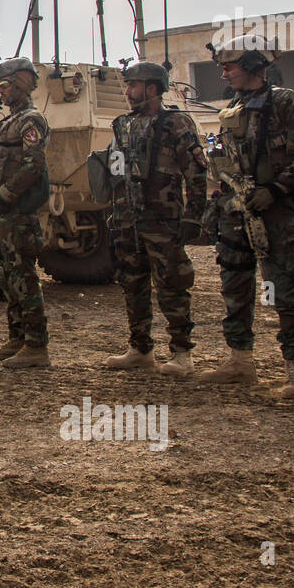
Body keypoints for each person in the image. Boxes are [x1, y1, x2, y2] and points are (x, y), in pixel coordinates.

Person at [201, 35, 294, 395]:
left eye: (230, 66)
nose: (225, 73)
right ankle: (240, 361)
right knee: (234, 284)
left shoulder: (284, 102)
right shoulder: (234, 107)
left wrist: (276, 191)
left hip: (273, 212)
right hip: (237, 211)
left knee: (283, 287)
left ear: (254, 65)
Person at [103, 61, 208, 375]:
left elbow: (196, 172)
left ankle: (181, 352)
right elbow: (115, 171)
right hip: (127, 219)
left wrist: (194, 216)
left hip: (163, 218)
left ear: (152, 88)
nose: (128, 91)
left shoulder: (176, 123)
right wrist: (114, 209)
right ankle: (140, 349)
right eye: (128, 85)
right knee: (132, 284)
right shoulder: (122, 124)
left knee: (172, 285)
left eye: (134, 85)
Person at [0, 58, 53, 367]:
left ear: (20, 84)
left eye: (5, 85)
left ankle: (37, 346)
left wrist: (7, 194)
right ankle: (18, 337)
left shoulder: (30, 120)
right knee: (9, 276)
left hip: (19, 213)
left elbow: (33, 164)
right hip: (5, 214)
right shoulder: (11, 120)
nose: (1, 92)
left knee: (24, 277)